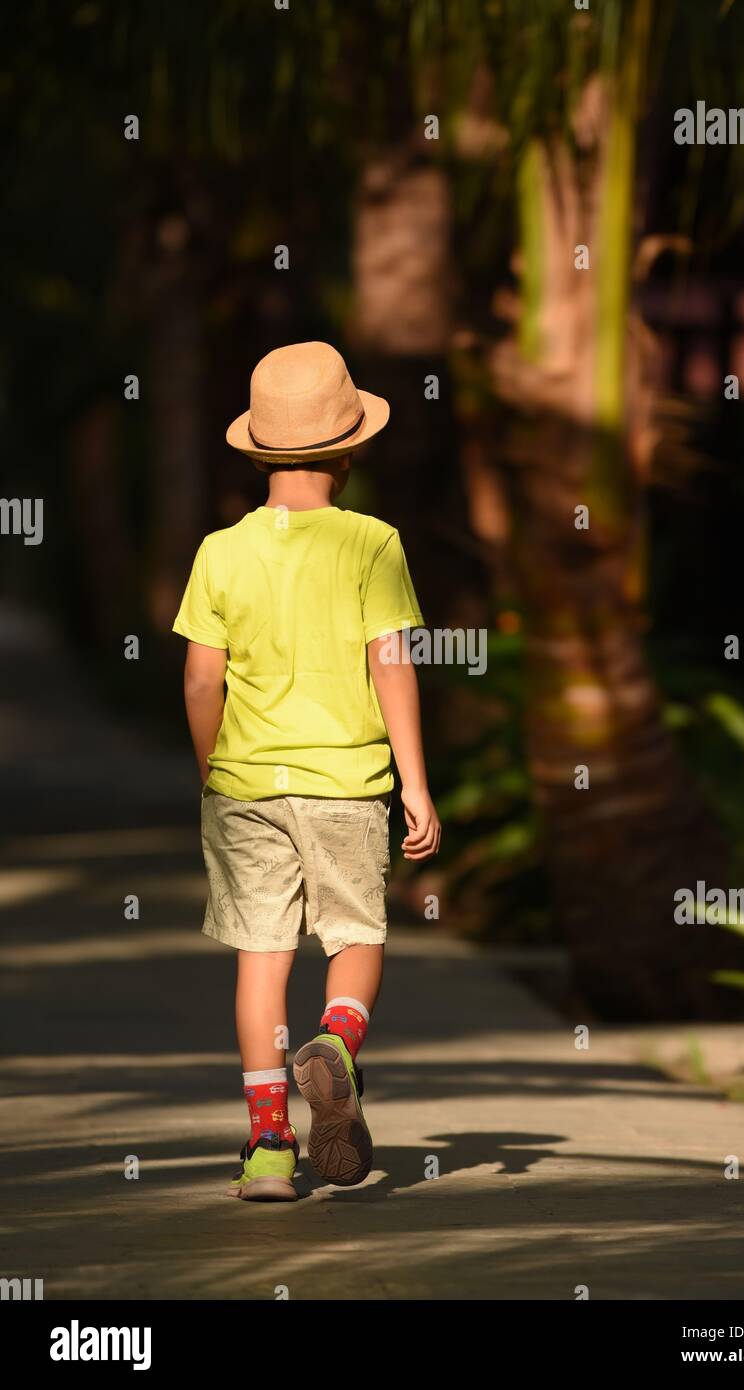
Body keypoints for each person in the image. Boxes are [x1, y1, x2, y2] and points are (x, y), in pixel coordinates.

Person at [173, 341, 440, 1200]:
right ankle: (334, 1042)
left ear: (256, 449)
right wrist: (416, 783)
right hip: (347, 784)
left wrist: (212, 768)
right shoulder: (374, 543)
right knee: (356, 934)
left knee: (260, 960)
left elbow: (200, 677)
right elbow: (391, 662)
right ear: (349, 447)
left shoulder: (221, 551)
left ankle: (266, 1153)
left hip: (246, 785)